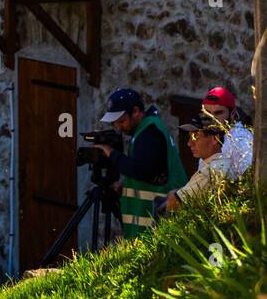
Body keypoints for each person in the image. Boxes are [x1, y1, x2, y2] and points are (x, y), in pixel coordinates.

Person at [95, 87, 184, 238]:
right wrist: (128, 184)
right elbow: (152, 171)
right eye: (114, 124)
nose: (118, 127)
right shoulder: (147, 129)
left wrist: (111, 153)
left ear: (136, 112)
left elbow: (140, 170)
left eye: (121, 121)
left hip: (155, 224)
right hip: (151, 221)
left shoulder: (149, 133)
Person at [164, 119, 231, 214]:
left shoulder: (211, 171)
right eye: (190, 137)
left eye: (195, 137)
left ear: (215, 139)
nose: (189, 143)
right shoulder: (222, 163)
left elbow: (175, 202)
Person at [199, 86, 252, 178]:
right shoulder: (208, 135)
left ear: (232, 113)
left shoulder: (242, 141)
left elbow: (249, 181)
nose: (213, 119)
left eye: (218, 113)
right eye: (208, 113)